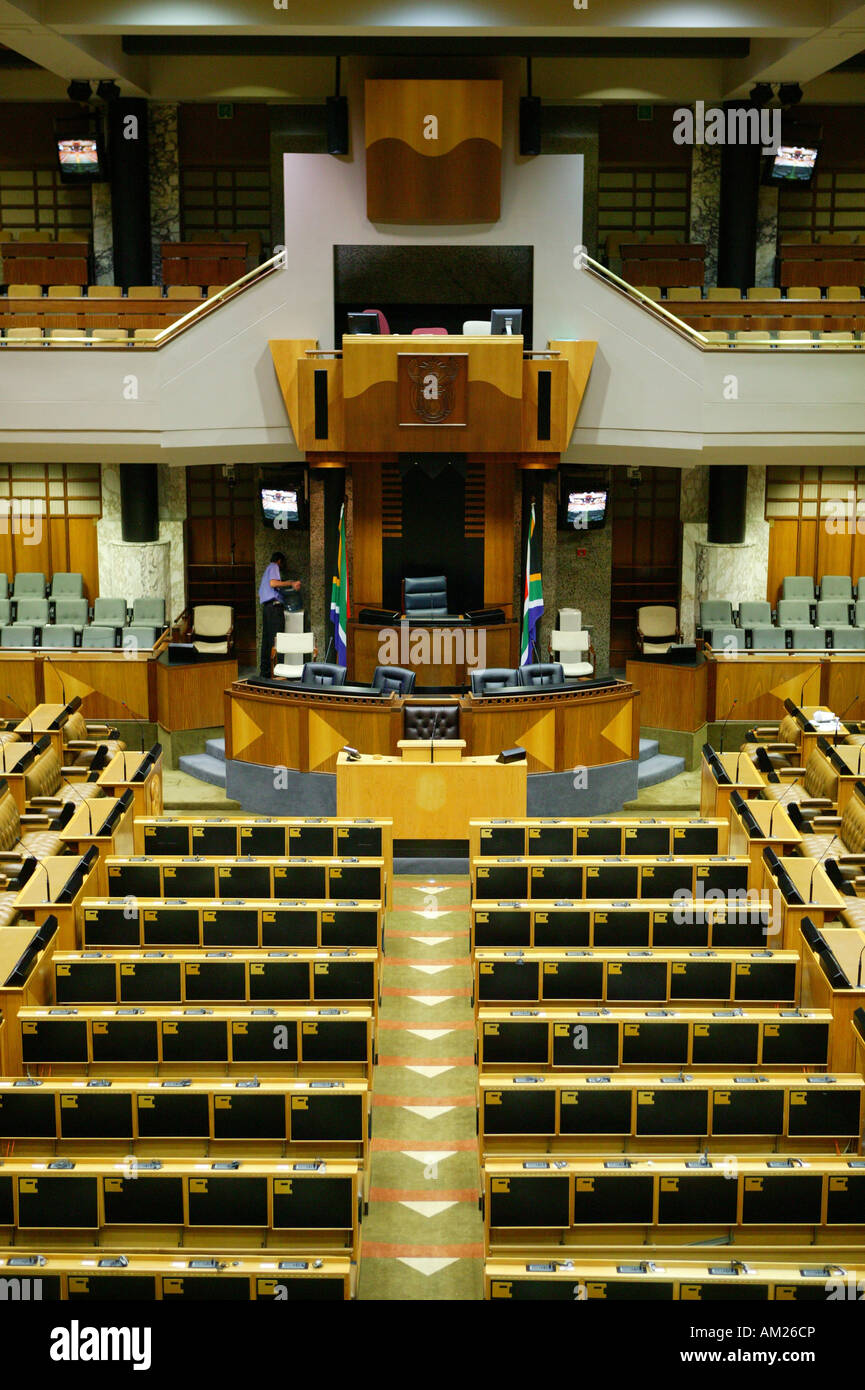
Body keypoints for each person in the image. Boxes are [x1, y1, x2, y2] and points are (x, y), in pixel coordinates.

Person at [258, 550, 301, 676]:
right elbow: (273, 583)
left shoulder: (266, 570)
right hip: (274, 608)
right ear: (280, 561)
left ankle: (265, 672)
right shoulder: (274, 566)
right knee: (277, 640)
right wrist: (291, 583)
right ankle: (277, 672)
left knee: (267, 640)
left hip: (267, 609)